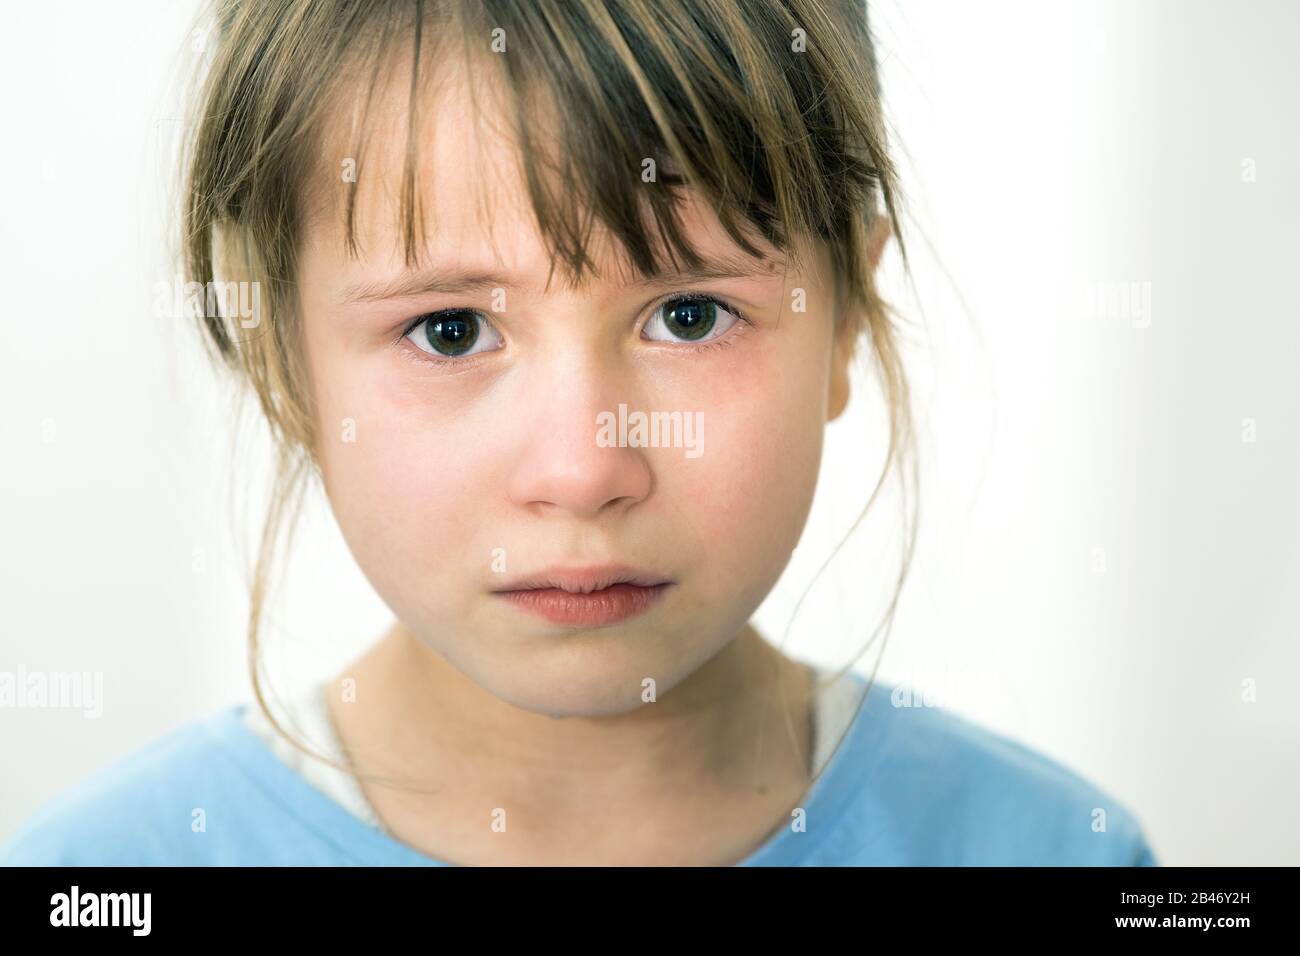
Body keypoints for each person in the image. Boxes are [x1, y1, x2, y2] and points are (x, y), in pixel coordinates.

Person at [1, 0, 1157, 866]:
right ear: (279, 355)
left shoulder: (1052, 851)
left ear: (846, 312)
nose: (581, 466)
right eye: (449, 329)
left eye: (689, 314)